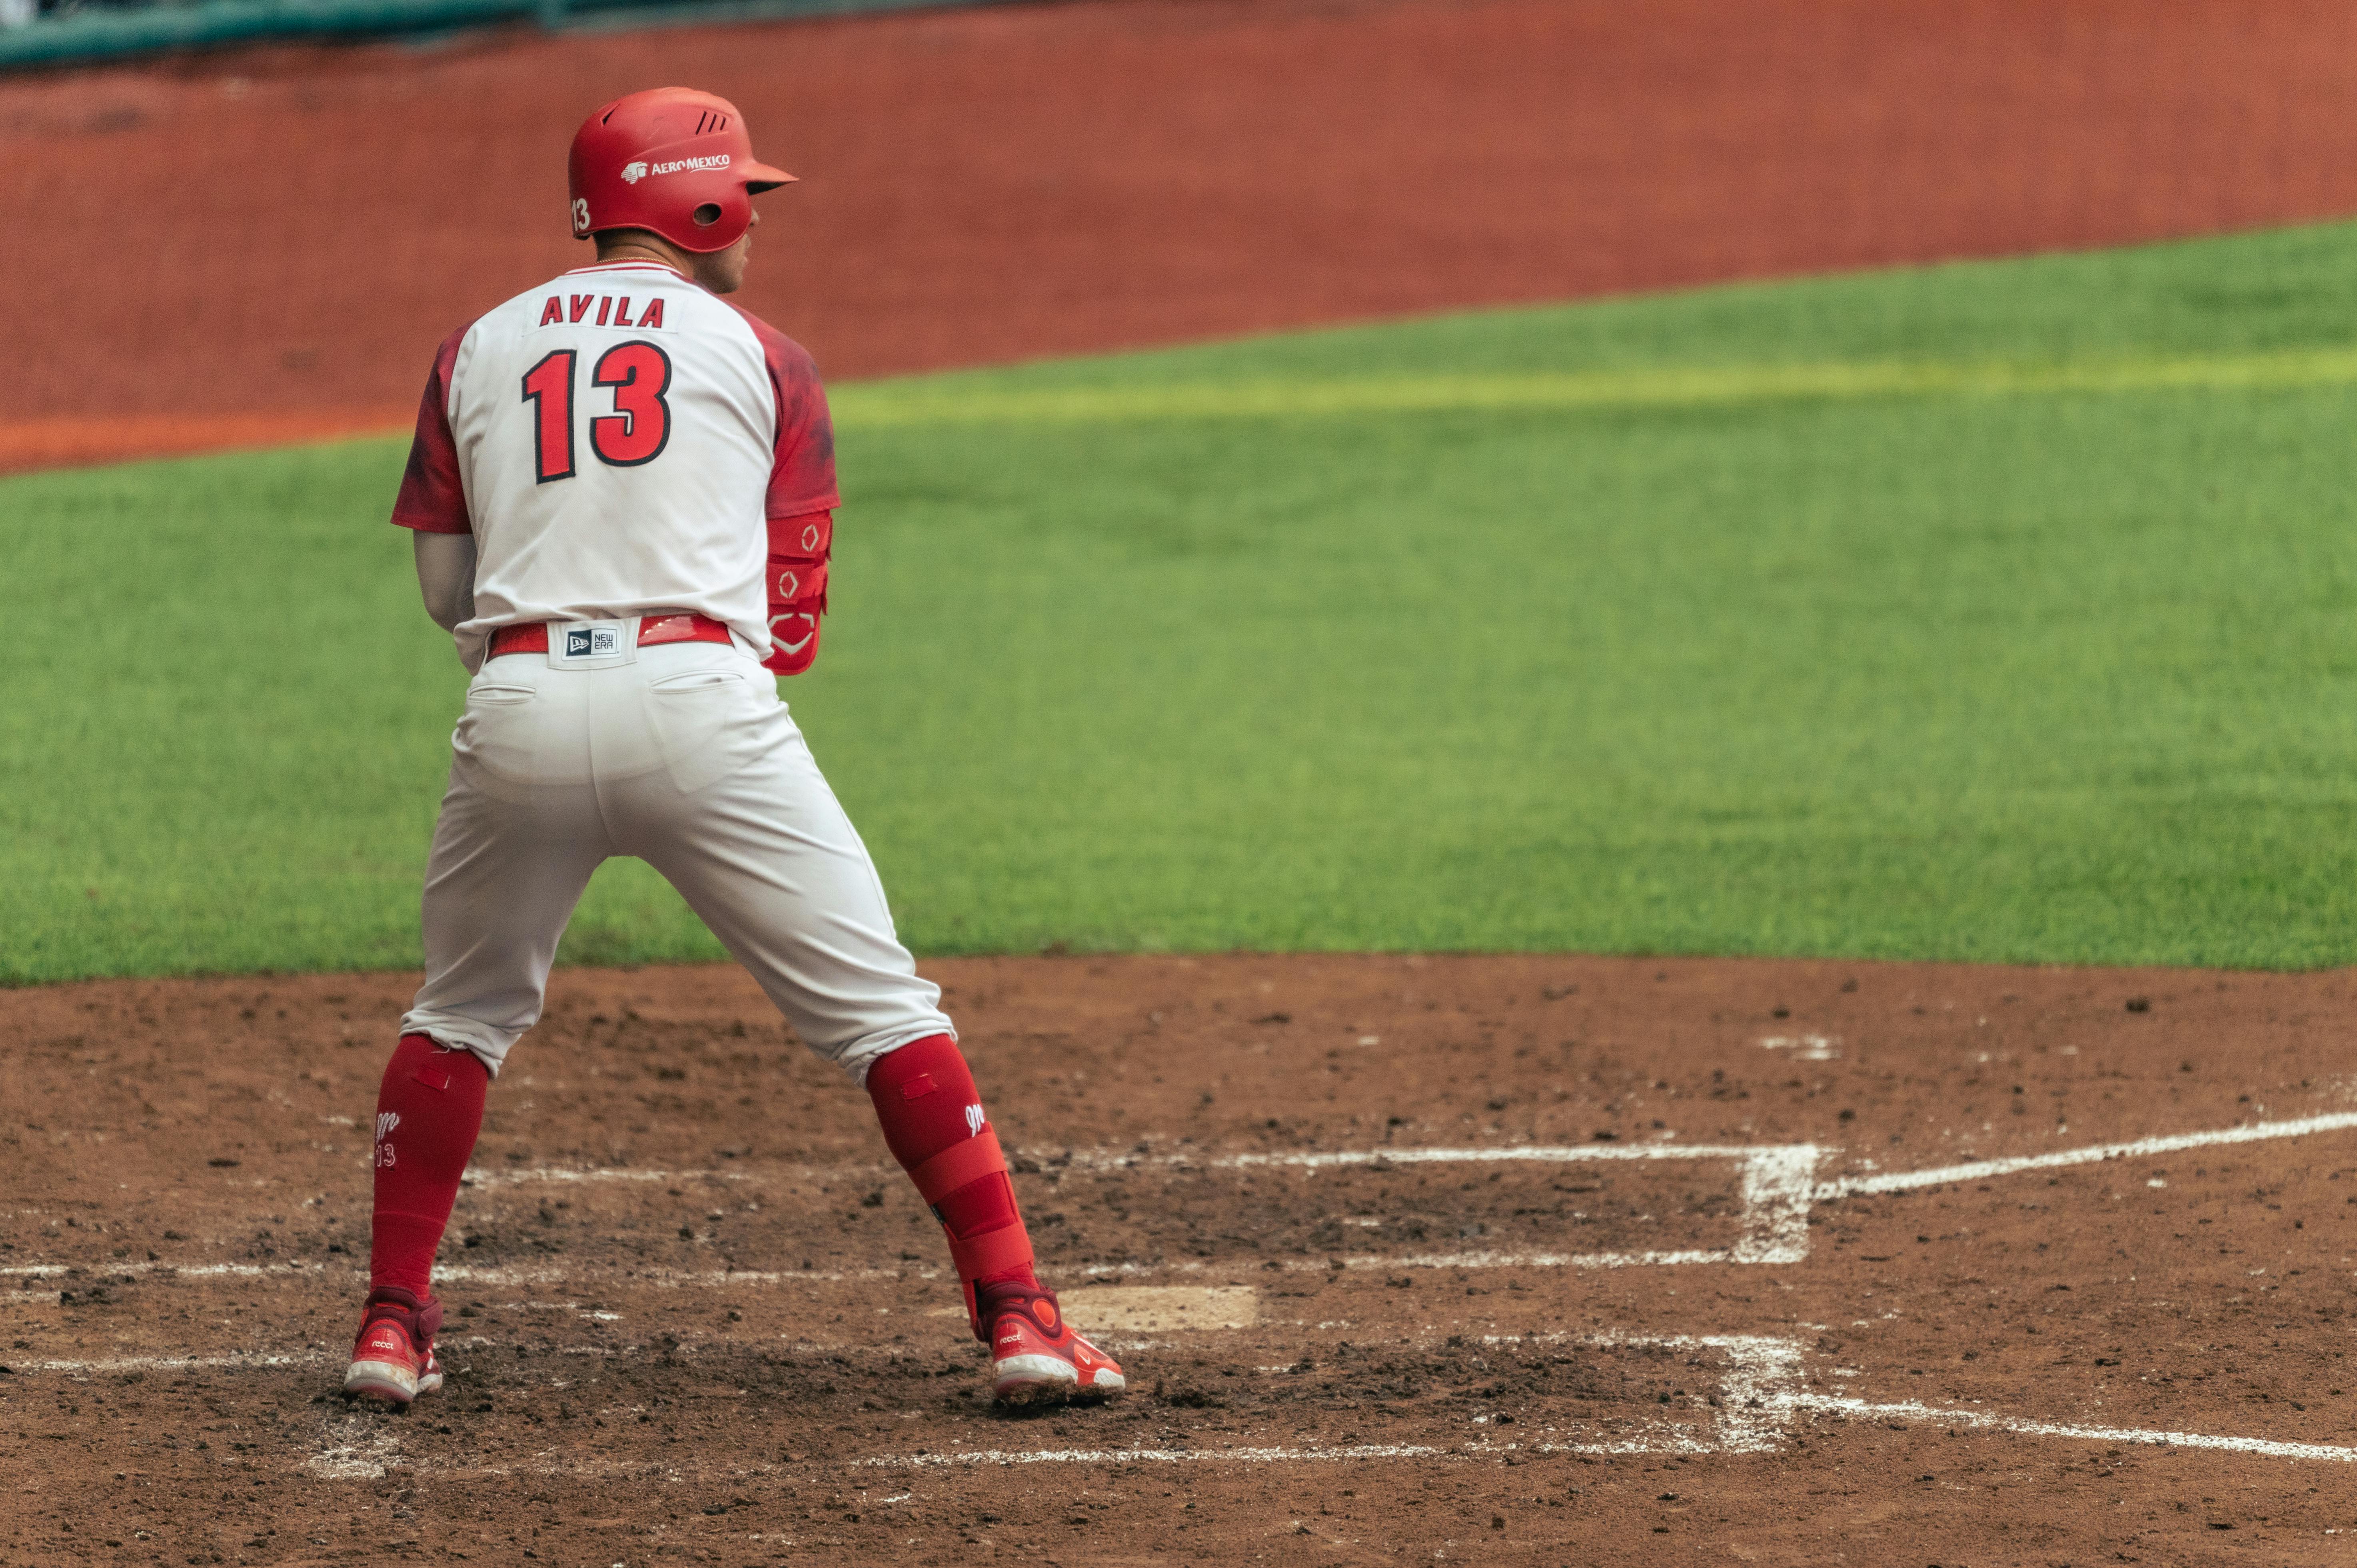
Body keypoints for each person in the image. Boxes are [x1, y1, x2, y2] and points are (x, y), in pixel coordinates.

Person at [342, 86, 1123, 1409]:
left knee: (460, 1015)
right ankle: (1022, 1319)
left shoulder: (475, 345)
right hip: (705, 704)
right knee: (885, 1012)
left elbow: (443, 592)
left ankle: (388, 1329)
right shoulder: (766, 355)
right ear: (691, 202)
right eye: (739, 196)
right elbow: (793, 617)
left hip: (519, 707)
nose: (751, 219)